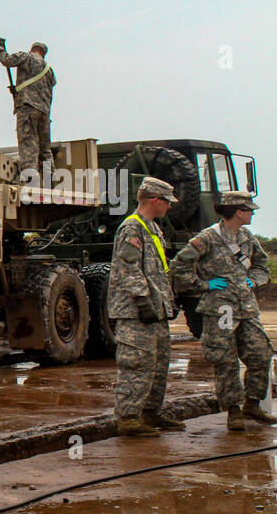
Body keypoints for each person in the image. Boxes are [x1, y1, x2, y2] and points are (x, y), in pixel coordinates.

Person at [171, 191, 277, 430]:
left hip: (247, 309)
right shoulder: (207, 237)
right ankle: (233, 411)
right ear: (238, 212)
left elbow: (261, 265)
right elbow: (178, 265)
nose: (252, 213)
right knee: (226, 361)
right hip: (221, 310)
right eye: (249, 210)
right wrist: (203, 285)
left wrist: (255, 280)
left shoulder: (247, 237)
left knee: (261, 354)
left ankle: (252, 405)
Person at [108, 176, 182, 437]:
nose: (169, 207)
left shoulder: (152, 228)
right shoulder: (132, 228)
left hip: (156, 308)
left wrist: (168, 300)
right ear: (155, 200)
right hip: (136, 311)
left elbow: (158, 270)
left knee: (159, 364)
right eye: (166, 202)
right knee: (136, 363)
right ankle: (129, 418)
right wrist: (142, 300)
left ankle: (150, 413)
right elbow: (128, 269)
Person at [0, 41, 56, 182]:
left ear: (33, 49)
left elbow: (7, 60)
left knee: (28, 141)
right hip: (45, 112)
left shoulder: (27, 57)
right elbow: (49, 86)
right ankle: (49, 177)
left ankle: (30, 176)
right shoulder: (49, 70)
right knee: (45, 147)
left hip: (28, 107)